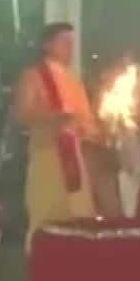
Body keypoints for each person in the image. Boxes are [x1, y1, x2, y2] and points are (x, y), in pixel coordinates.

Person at [13, 22, 100, 242]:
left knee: (78, 218)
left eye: (72, 43)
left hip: (74, 159)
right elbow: (21, 114)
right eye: (64, 42)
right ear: (46, 45)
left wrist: (92, 130)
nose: (69, 48)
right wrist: (53, 117)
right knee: (47, 218)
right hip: (47, 155)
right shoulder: (33, 76)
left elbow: (86, 121)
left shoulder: (74, 81)